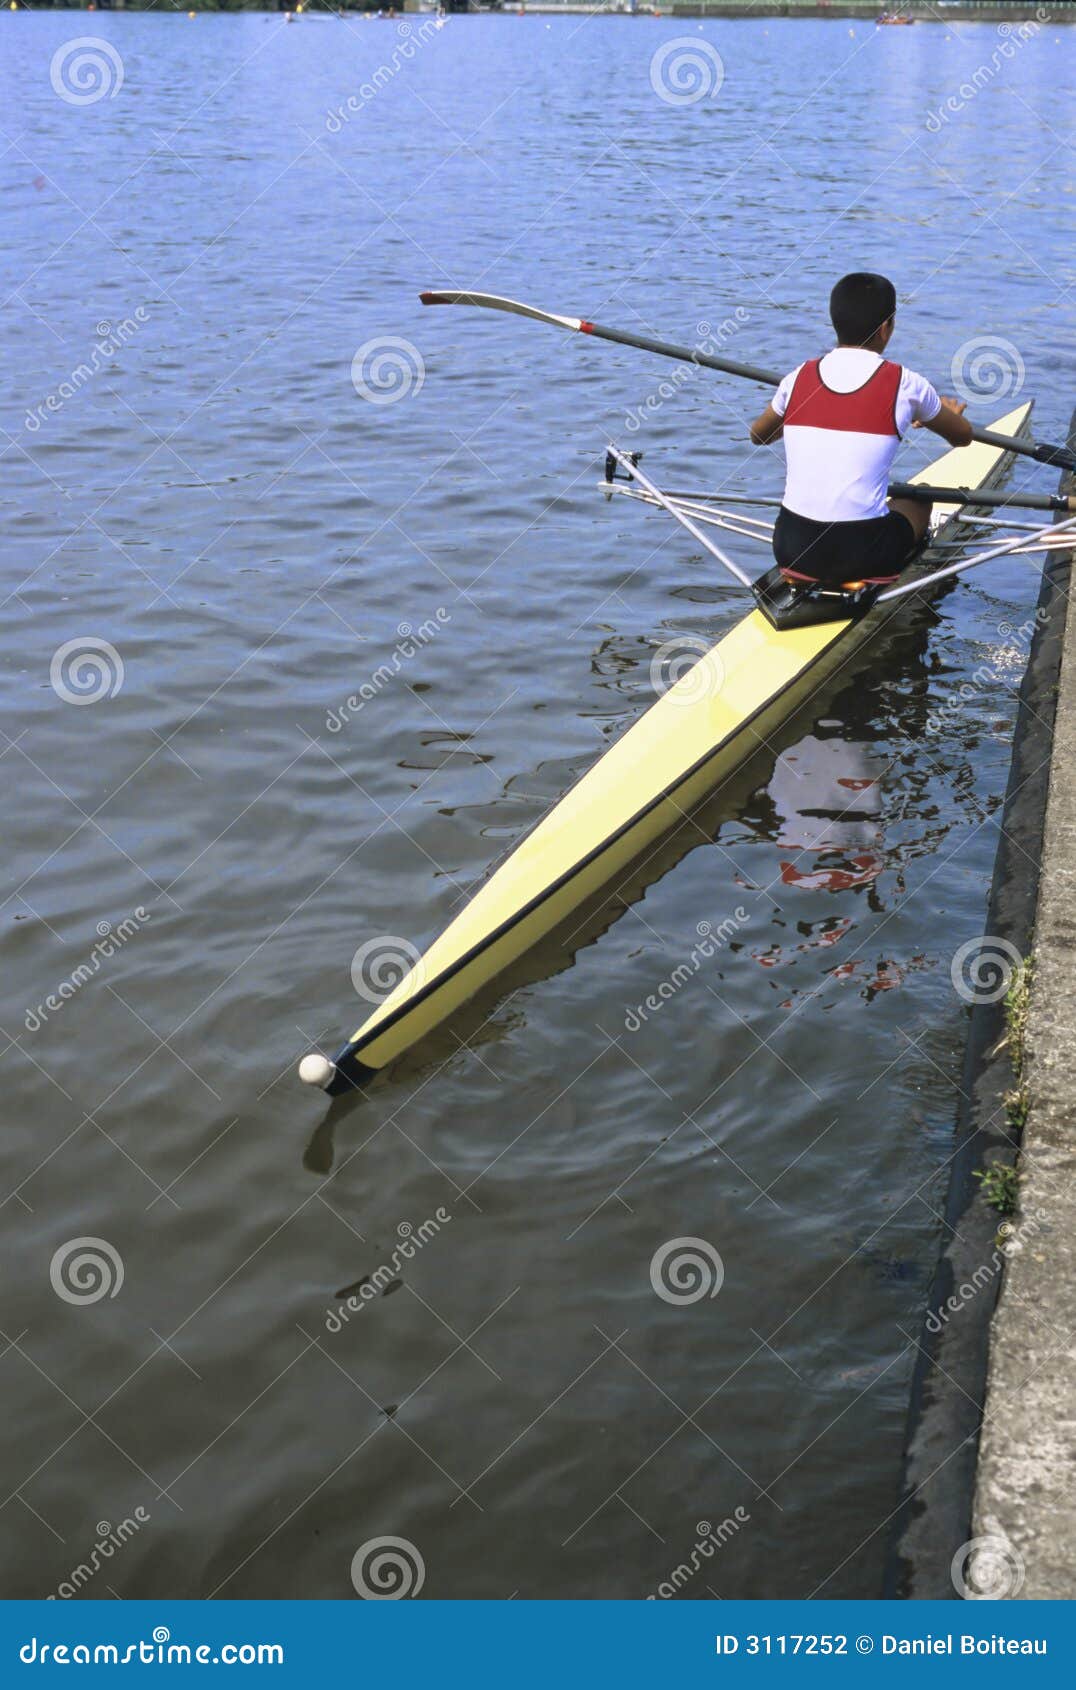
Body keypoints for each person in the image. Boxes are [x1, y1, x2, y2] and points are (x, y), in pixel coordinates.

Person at [749, 273, 972, 589]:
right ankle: (885, 570)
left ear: (835, 322)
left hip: (789, 548)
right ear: (886, 329)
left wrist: (803, 414)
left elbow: (758, 436)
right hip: (861, 554)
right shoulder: (906, 384)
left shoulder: (797, 378)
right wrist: (942, 413)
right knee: (918, 497)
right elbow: (962, 437)